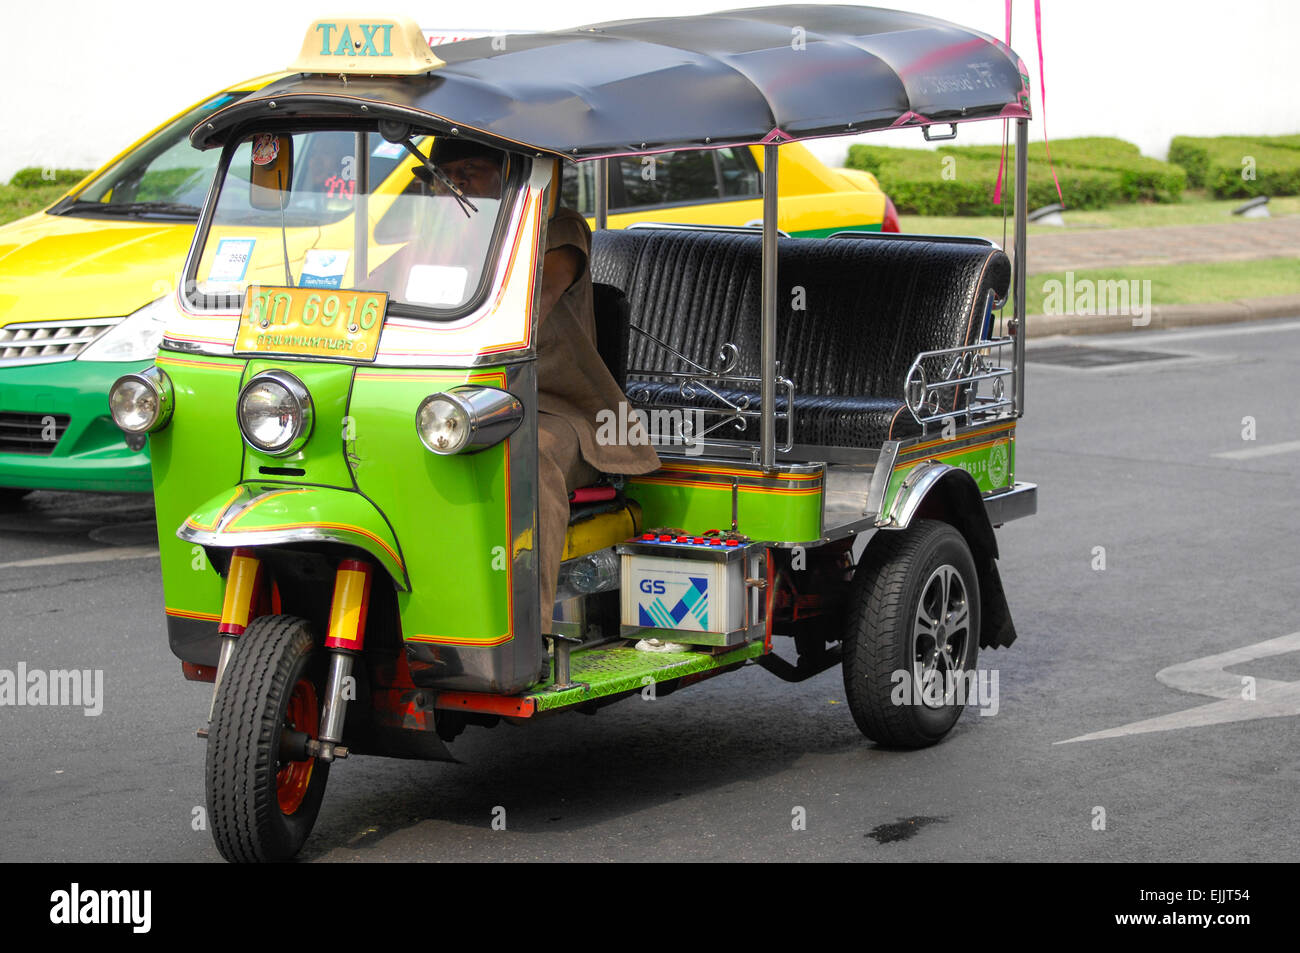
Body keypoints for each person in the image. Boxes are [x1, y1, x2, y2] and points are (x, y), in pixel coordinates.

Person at [430, 140, 661, 633]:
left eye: (471, 168)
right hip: (450, 401)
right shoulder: (435, 230)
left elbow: (534, 300)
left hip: (559, 409)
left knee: (523, 459)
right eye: (447, 173)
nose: (459, 182)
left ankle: (522, 630)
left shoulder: (556, 227)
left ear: (508, 172)